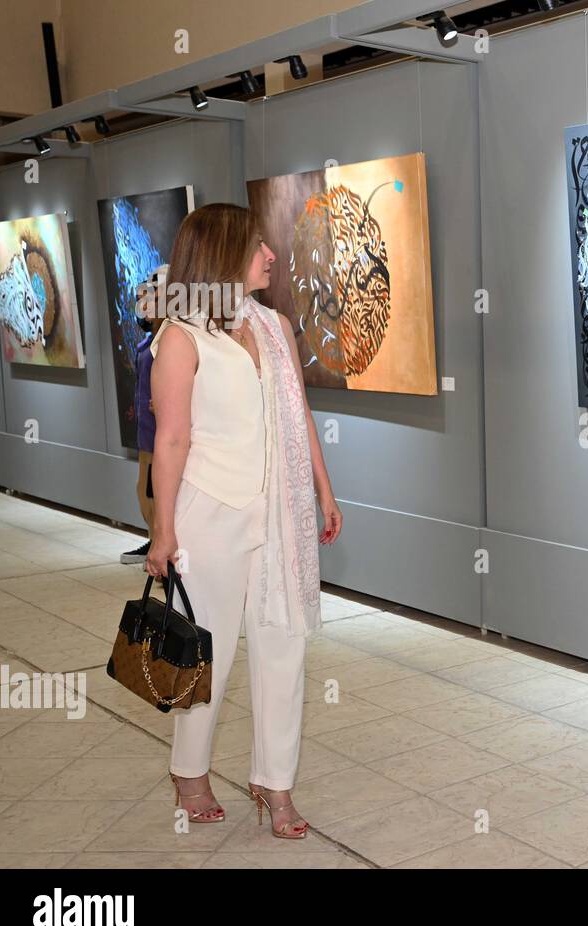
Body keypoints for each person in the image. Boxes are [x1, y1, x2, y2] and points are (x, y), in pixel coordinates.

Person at [144, 203, 343, 838]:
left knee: (285, 643)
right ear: (227, 253)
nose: (271, 256)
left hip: (279, 512)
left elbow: (301, 414)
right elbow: (172, 440)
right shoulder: (179, 338)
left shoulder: (278, 326)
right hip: (209, 514)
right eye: (259, 246)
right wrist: (163, 531)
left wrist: (325, 491)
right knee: (209, 653)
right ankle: (190, 770)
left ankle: (275, 783)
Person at [121, 266, 168, 564]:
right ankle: (154, 540)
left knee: (154, 489)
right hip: (147, 431)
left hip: (161, 431)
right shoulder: (149, 342)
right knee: (145, 489)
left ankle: (160, 544)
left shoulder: (169, 341)